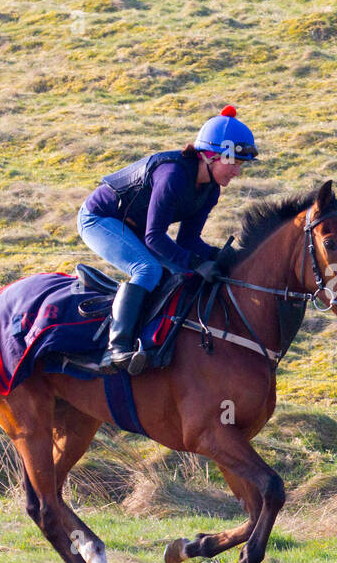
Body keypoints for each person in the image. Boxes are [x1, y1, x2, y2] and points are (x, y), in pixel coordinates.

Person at [77, 105, 257, 371]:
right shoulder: (172, 176)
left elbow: (188, 241)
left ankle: (156, 341)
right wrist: (196, 262)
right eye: (235, 162)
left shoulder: (211, 190)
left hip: (136, 228)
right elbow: (154, 237)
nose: (237, 172)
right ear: (211, 156)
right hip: (99, 219)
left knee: (182, 275)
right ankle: (115, 350)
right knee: (147, 269)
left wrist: (220, 257)